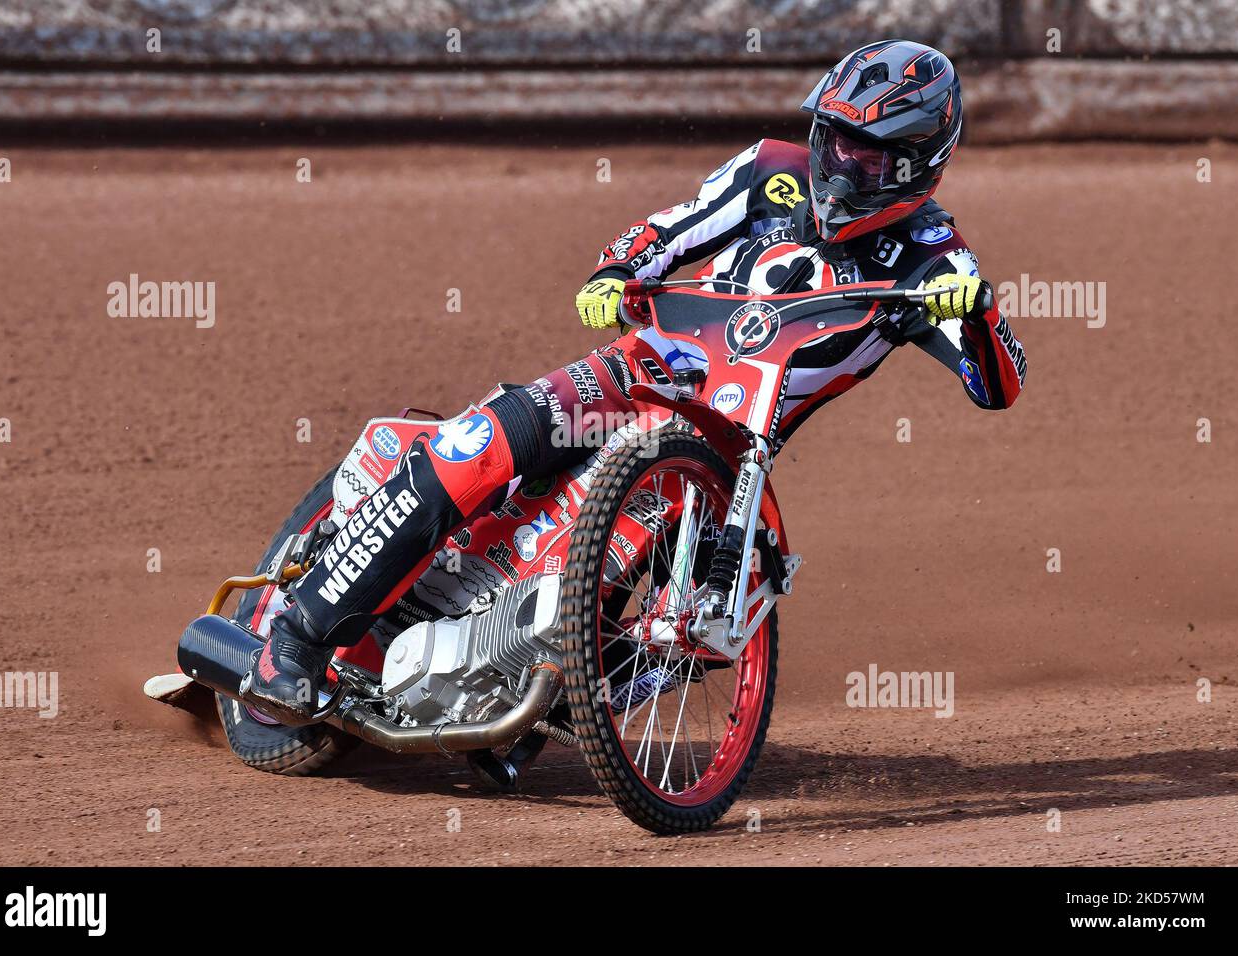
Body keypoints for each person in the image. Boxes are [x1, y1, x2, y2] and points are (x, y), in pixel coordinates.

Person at [246, 39, 1026, 723]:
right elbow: (668, 230)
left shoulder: (939, 262)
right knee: (484, 442)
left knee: (643, 628)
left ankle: (536, 700)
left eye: (864, 152)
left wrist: (980, 313)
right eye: (832, 138)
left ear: (916, 163)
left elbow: (999, 386)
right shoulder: (769, 172)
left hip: (721, 453)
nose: (837, 162)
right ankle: (295, 640)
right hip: (635, 369)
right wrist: (614, 270)